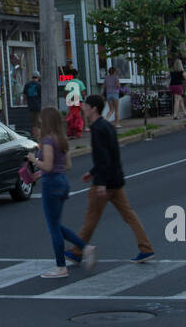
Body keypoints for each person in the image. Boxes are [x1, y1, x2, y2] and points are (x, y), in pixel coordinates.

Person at [74, 95, 156, 263]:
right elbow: (111, 155)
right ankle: (146, 248)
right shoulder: (108, 126)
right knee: (129, 215)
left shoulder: (97, 129)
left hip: (105, 182)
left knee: (91, 217)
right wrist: (92, 171)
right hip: (116, 180)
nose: (84, 108)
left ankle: (76, 250)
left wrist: (100, 182)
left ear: (94, 108)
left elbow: (103, 157)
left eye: (86, 106)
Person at [28, 107, 91, 279]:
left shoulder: (48, 140)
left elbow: (48, 166)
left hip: (52, 184)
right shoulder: (62, 140)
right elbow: (67, 165)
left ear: (46, 121)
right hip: (62, 182)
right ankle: (84, 247)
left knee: (54, 228)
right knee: (55, 225)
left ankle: (61, 266)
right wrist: (40, 173)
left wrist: (34, 160)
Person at [63, 68, 86, 139]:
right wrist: (83, 97)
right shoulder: (80, 82)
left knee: (72, 115)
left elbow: (65, 93)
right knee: (81, 114)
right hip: (78, 99)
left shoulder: (69, 83)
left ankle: (71, 131)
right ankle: (82, 128)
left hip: (71, 99)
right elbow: (83, 92)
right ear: (77, 75)